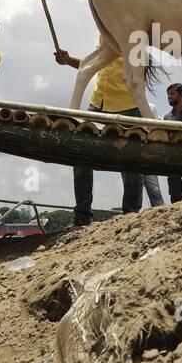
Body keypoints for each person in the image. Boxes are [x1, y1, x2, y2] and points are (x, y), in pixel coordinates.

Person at [54, 42, 145, 226]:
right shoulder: (104, 31)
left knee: (131, 163)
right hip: (98, 103)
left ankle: (130, 215)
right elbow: (96, 64)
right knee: (81, 157)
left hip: (127, 103)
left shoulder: (131, 28)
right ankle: (82, 215)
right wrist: (69, 60)